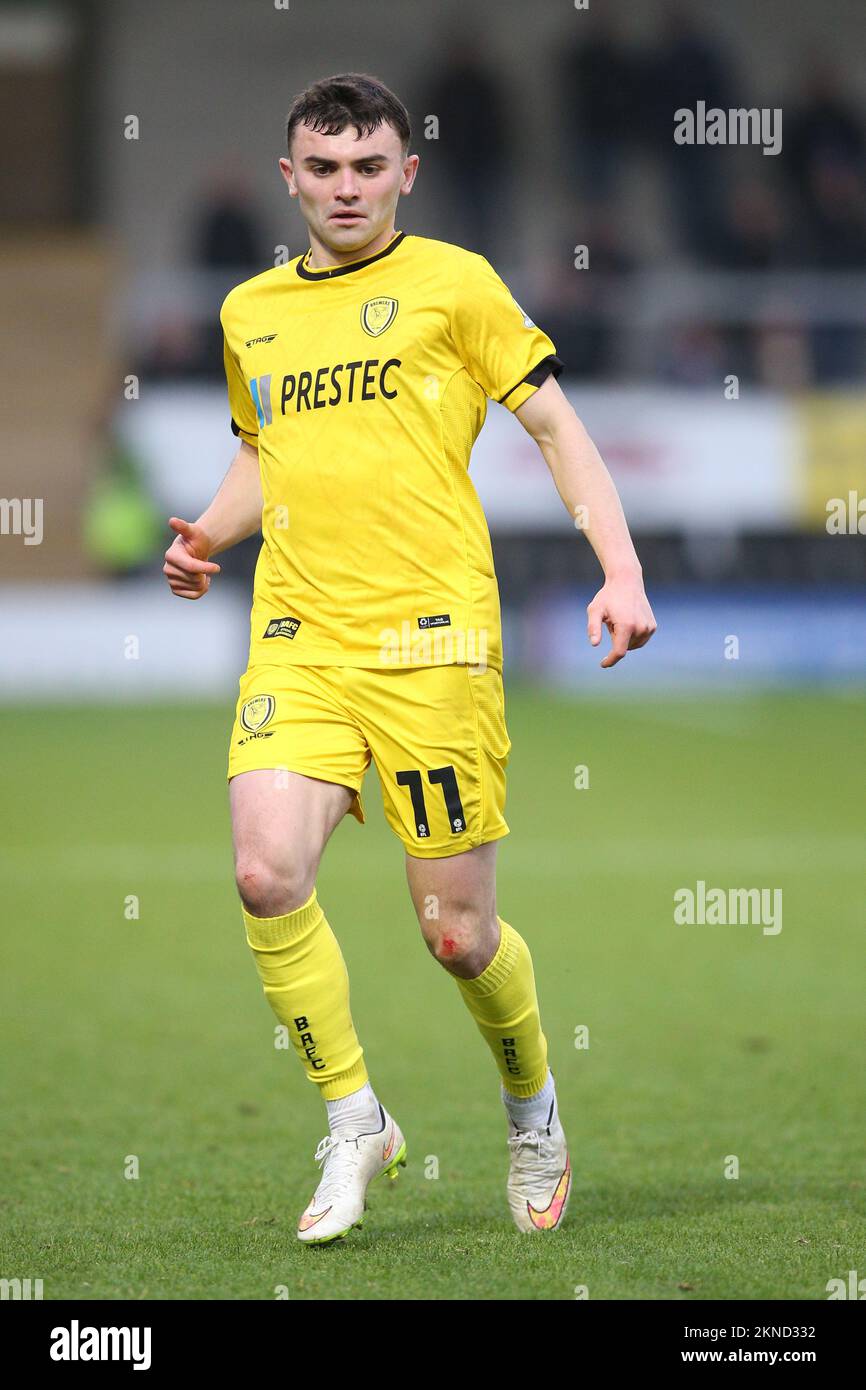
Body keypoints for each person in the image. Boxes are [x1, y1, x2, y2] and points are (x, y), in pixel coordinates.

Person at [162, 72, 656, 1245]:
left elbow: (555, 428)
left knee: (456, 934)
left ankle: (530, 1104)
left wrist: (621, 569)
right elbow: (266, 456)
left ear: (405, 174)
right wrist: (205, 536)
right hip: (300, 636)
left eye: (368, 168)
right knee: (263, 873)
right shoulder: (250, 312)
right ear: (289, 177)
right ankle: (353, 1118)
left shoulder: (455, 285)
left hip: (433, 643)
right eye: (323, 169)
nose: (346, 188)